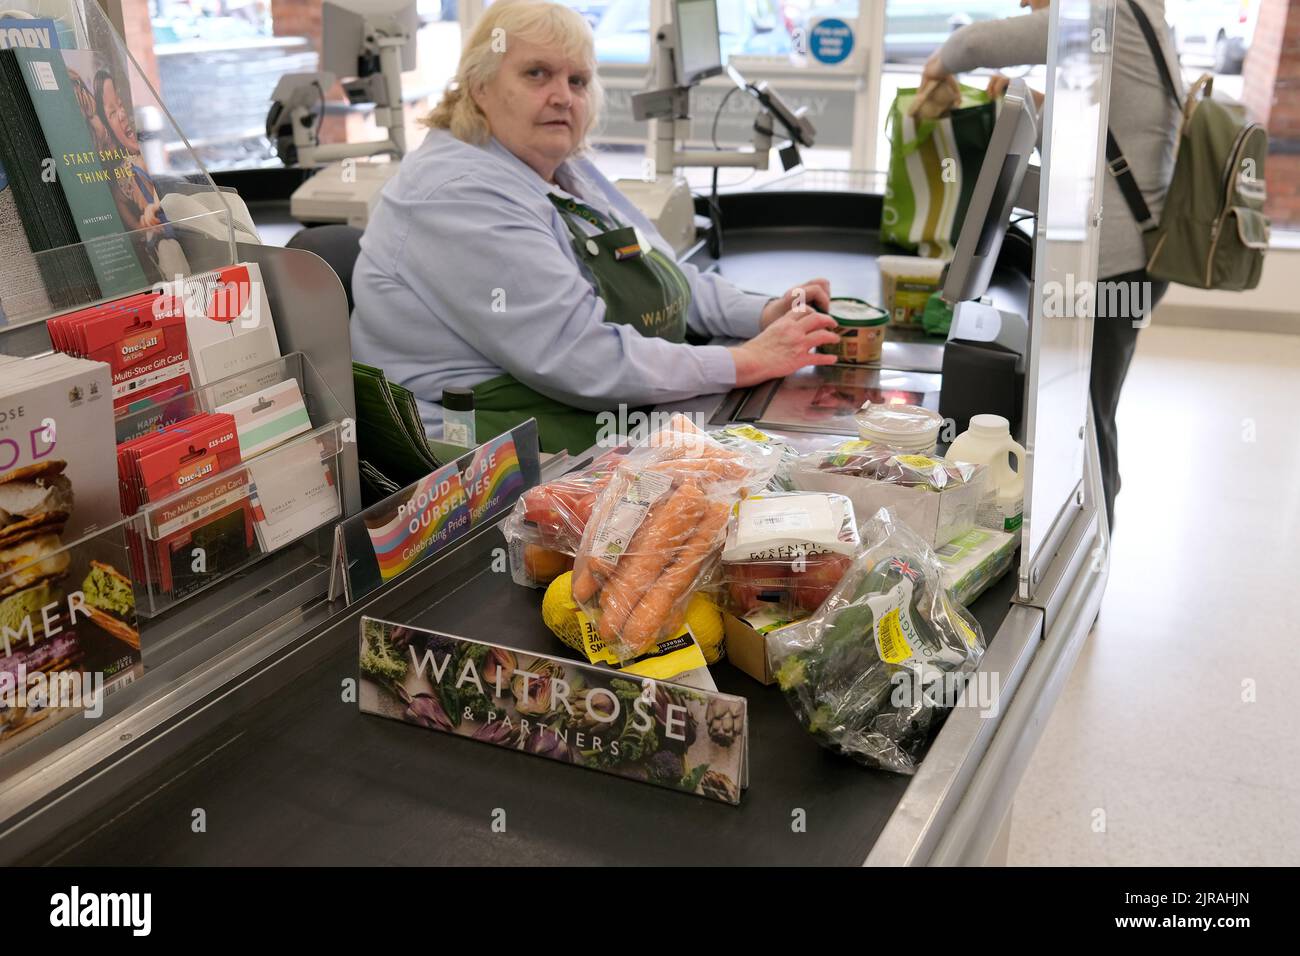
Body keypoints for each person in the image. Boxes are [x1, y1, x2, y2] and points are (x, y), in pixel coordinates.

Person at [349, 0, 839, 454]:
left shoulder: (562, 168)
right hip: (481, 458)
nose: (563, 97)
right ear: (480, 87)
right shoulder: (457, 193)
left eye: (578, 81)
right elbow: (582, 359)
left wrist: (762, 315)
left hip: (583, 419)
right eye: (537, 73)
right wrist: (745, 362)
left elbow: (666, 273)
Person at [921, 0, 1181, 531]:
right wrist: (1035, 103)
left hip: (1113, 266)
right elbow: (1113, 125)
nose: (1024, 4)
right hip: (1135, 257)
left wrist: (938, 64)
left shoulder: (1105, 13)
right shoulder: (1140, 15)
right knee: (1092, 411)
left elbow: (973, 45)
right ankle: (1090, 538)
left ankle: (1094, 547)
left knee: (1085, 420)